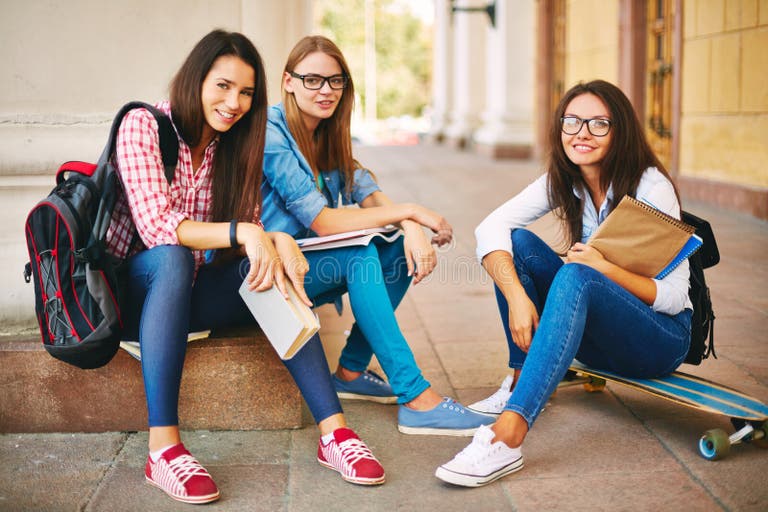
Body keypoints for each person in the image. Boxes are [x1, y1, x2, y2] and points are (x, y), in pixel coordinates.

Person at [108, 30, 385, 504]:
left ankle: (334, 434)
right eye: (223, 86)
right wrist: (247, 233)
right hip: (135, 295)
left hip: (190, 296)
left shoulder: (232, 144)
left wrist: (275, 240)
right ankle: (164, 450)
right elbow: (158, 228)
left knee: (270, 266)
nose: (234, 102)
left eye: (246, 93)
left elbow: (250, 229)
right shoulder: (143, 125)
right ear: (196, 80)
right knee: (172, 256)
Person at [435, 80, 692, 487]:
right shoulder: (567, 180)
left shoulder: (650, 187)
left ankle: (508, 435)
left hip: (659, 341)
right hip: (600, 339)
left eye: (598, 124)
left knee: (577, 272)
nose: (581, 133)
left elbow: (676, 299)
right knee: (518, 243)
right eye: (571, 121)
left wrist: (604, 268)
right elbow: (491, 228)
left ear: (619, 130)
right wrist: (517, 296)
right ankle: (523, 378)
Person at [260, 35, 494, 435]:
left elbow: (366, 191)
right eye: (313, 79)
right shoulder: (270, 132)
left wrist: (409, 229)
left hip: (308, 265)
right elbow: (323, 222)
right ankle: (415, 396)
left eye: (336, 81)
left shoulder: (326, 134)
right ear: (288, 81)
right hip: (270, 273)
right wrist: (412, 212)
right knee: (360, 254)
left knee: (395, 249)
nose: (326, 90)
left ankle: (350, 372)